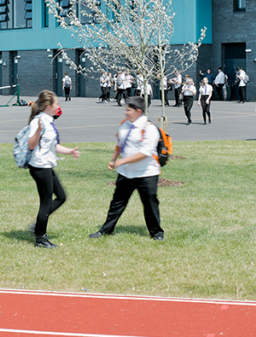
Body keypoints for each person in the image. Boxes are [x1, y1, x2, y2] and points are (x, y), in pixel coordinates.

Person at [89, 97, 164, 241]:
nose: (125, 112)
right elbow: (119, 144)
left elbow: (145, 153)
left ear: (138, 111)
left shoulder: (149, 129)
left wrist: (122, 160)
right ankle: (105, 231)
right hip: (126, 173)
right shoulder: (124, 124)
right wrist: (113, 159)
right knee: (117, 203)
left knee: (150, 203)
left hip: (146, 173)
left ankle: (157, 233)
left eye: (128, 110)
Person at [26, 90, 80, 248]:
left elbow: (53, 146)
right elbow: (31, 145)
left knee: (61, 196)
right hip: (40, 166)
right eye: (56, 103)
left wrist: (69, 151)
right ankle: (40, 238)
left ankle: (38, 226)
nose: (58, 106)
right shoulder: (38, 121)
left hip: (47, 165)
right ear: (49, 106)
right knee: (46, 202)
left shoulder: (49, 120)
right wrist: (37, 131)